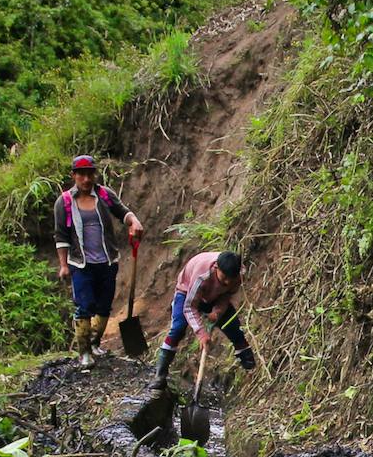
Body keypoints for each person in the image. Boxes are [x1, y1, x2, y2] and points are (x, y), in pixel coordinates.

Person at [52, 154, 144, 367]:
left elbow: (122, 212)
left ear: (94, 174)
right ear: (73, 176)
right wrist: (64, 265)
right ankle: (84, 351)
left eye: (89, 174)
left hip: (107, 261)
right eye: (81, 174)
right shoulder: (64, 202)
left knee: (104, 306)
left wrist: (134, 221)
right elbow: (61, 236)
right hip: (80, 263)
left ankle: (94, 343)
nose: (86, 179)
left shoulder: (104, 195)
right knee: (84, 306)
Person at [151, 251, 256, 392]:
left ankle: (251, 373)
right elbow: (189, 307)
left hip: (215, 297)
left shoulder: (237, 274)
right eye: (224, 278)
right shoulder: (202, 276)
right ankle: (160, 376)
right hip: (187, 292)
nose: (227, 282)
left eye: (231, 279)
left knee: (233, 328)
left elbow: (227, 295)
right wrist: (201, 334)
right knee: (177, 328)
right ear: (216, 268)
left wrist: (217, 311)